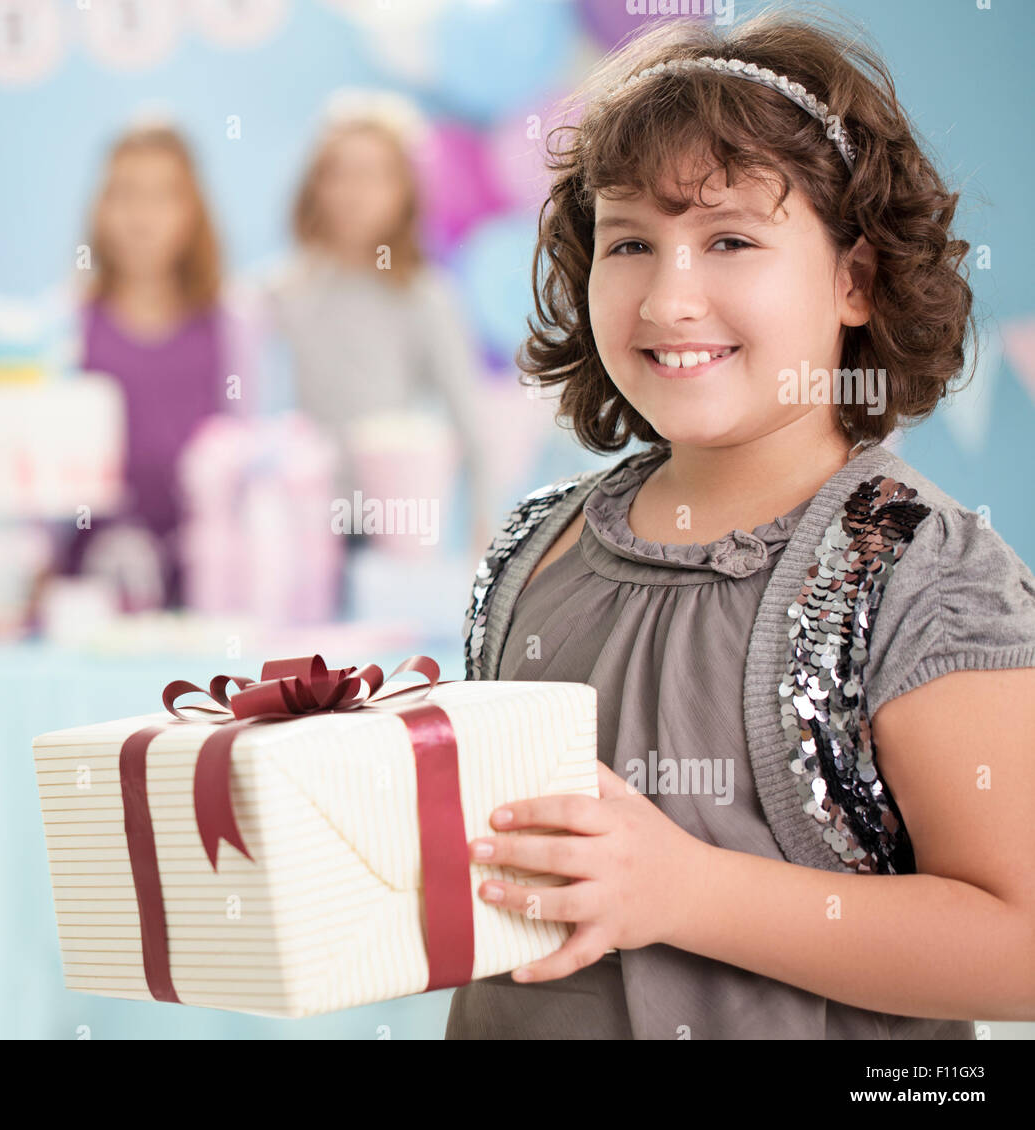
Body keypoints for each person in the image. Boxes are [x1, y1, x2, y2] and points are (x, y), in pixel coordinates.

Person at [446, 10, 1035, 1039]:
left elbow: (1019, 946)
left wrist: (684, 892)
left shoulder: (918, 571)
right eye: (631, 241)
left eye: (729, 239)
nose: (672, 297)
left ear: (852, 279)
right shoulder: (534, 546)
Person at [259, 92, 495, 583]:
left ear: (404, 191)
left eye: (373, 175)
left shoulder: (425, 297)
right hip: (299, 522)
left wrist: (483, 537)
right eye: (338, 173)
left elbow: (471, 427)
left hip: (390, 529)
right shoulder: (278, 294)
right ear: (314, 186)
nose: (354, 191)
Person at [56, 122, 228, 609]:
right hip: (86, 593)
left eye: (163, 196)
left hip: (204, 596)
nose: (142, 216)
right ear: (100, 210)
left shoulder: (234, 327)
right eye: (125, 194)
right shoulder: (66, 325)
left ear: (193, 212)